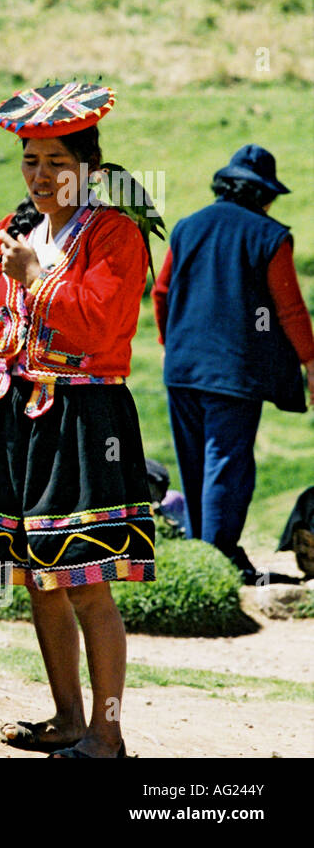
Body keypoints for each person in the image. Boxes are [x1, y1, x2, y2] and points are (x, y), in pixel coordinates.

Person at [0, 83, 156, 758]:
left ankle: (107, 733)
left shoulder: (117, 234)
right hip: (14, 416)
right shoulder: (12, 230)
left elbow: (101, 322)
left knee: (86, 582)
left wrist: (36, 278)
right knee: (40, 577)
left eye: (55, 161)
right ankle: (66, 717)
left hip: (84, 415)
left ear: (88, 165)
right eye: (30, 160)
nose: (39, 175)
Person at [153, 145, 314, 583]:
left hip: (182, 368)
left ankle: (204, 559)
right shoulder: (270, 236)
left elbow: (162, 292)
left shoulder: (187, 227)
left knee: (194, 461)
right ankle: (218, 557)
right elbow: (290, 311)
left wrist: (169, 343)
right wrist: (311, 361)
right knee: (227, 462)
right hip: (234, 374)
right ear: (263, 194)